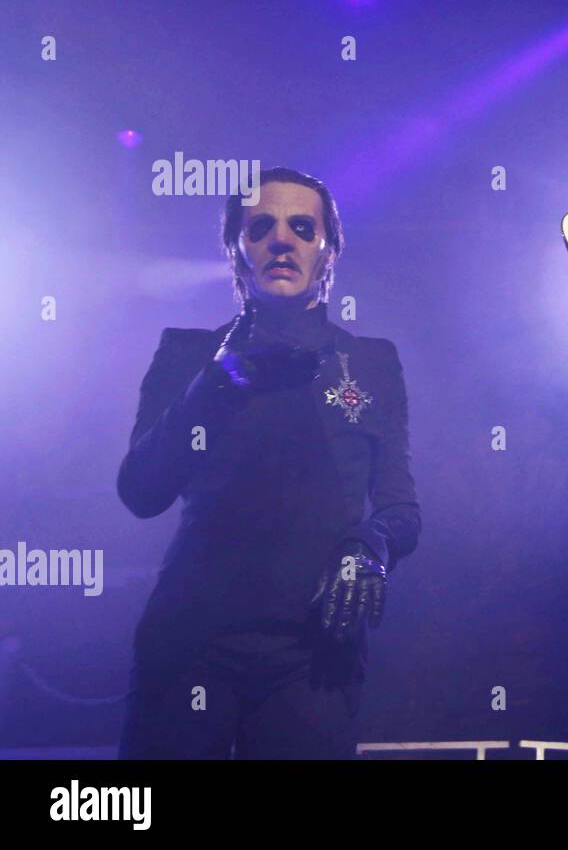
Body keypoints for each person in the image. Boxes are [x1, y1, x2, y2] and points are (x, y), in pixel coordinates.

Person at [117, 167, 420, 759]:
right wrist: (216, 379)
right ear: (236, 247)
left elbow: (400, 506)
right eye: (261, 227)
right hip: (189, 644)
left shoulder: (372, 361)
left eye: (302, 226)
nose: (282, 239)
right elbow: (140, 491)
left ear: (328, 247)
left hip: (314, 654)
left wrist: (369, 549)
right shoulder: (188, 352)